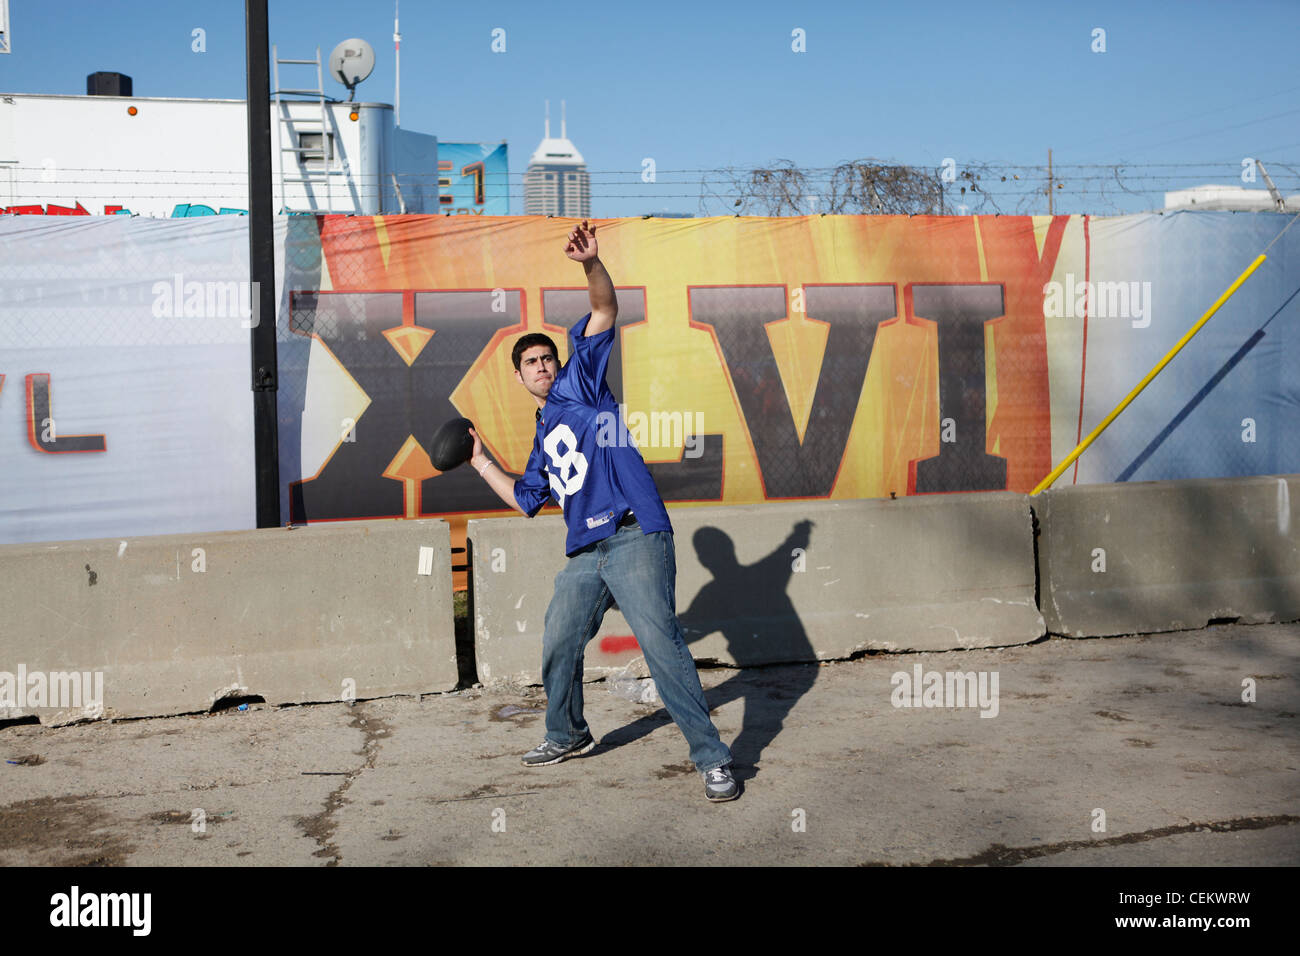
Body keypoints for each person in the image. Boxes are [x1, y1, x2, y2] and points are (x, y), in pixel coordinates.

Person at [466, 220, 738, 803]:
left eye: (546, 357)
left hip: (635, 535)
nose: (541, 366)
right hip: (587, 553)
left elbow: (605, 308)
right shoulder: (542, 438)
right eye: (531, 363)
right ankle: (567, 735)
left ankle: (713, 759)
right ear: (518, 377)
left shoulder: (581, 382)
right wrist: (479, 458)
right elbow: (524, 498)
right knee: (559, 638)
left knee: (661, 645)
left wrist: (592, 264)